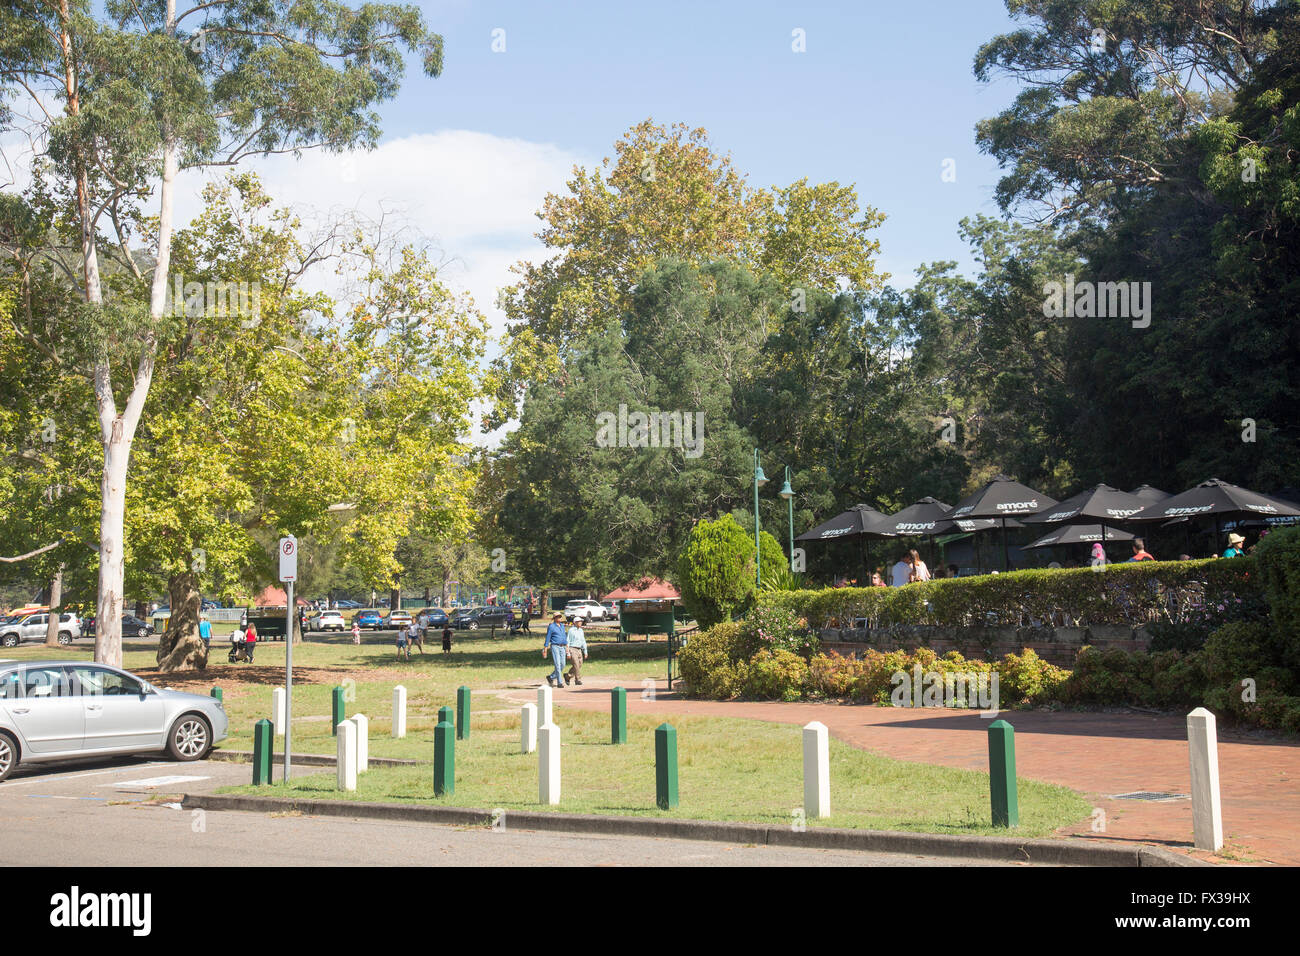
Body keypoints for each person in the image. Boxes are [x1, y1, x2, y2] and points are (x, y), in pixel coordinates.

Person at [543, 612, 568, 688]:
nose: (560, 618)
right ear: (554, 618)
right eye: (558, 617)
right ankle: (559, 682)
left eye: (560, 616)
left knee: (563, 664)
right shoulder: (551, 626)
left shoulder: (562, 626)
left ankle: (551, 677)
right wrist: (545, 649)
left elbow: (564, 636)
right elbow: (548, 637)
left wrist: (567, 646)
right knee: (557, 664)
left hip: (563, 646)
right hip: (555, 646)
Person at [564, 616, 588, 686]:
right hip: (572, 649)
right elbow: (567, 641)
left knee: (579, 664)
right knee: (576, 664)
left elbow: (583, 641)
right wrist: (568, 652)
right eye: (579, 621)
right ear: (575, 622)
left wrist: (585, 651)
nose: (581, 622)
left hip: (579, 649)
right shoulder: (571, 630)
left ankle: (568, 676)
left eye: (581, 621)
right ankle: (577, 679)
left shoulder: (581, 630)